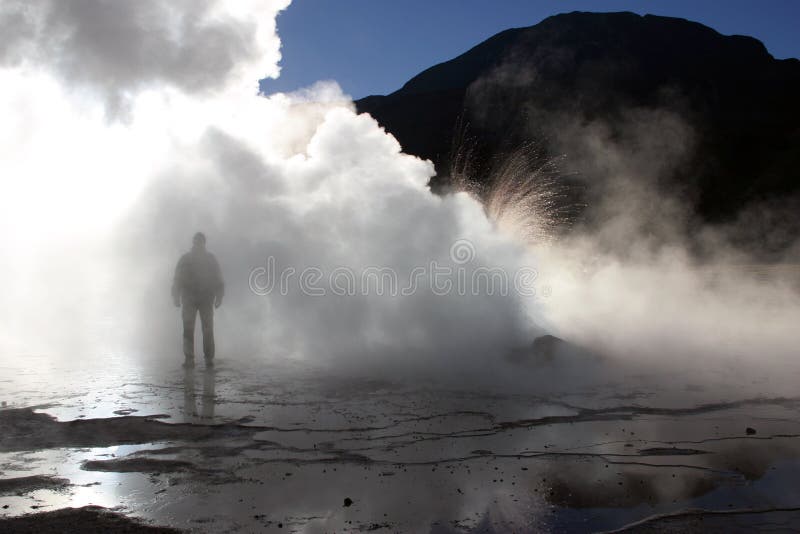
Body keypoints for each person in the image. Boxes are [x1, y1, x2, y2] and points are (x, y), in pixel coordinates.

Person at [172, 232, 224, 369]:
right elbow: (177, 279)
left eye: (200, 241)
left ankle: (208, 359)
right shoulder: (186, 259)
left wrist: (219, 297)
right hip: (189, 298)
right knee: (188, 329)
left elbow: (218, 279)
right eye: (196, 241)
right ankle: (189, 359)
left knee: (207, 329)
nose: (198, 244)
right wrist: (175, 296)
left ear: (204, 243)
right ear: (193, 242)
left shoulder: (210, 259)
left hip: (206, 298)